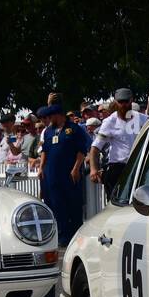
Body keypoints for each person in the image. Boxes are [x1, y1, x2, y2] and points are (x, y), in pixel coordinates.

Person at [37, 104, 90, 246]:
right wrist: (41, 168)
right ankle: (63, 236)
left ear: (58, 115)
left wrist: (76, 168)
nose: (48, 119)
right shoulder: (49, 131)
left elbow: (81, 150)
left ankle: (76, 235)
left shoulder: (73, 129)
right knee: (57, 205)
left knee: (73, 205)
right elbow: (44, 151)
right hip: (53, 174)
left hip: (69, 174)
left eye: (50, 116)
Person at [90, 88, 148, 199]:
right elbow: (95, 147)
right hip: (118, 168)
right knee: (116, 204)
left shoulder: (141, 118)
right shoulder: (110, 122)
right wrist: (93, 169)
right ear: (116, 102)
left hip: (139, 166)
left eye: (126, 101)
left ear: (131, 100)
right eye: (120, 102)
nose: (123, 105)